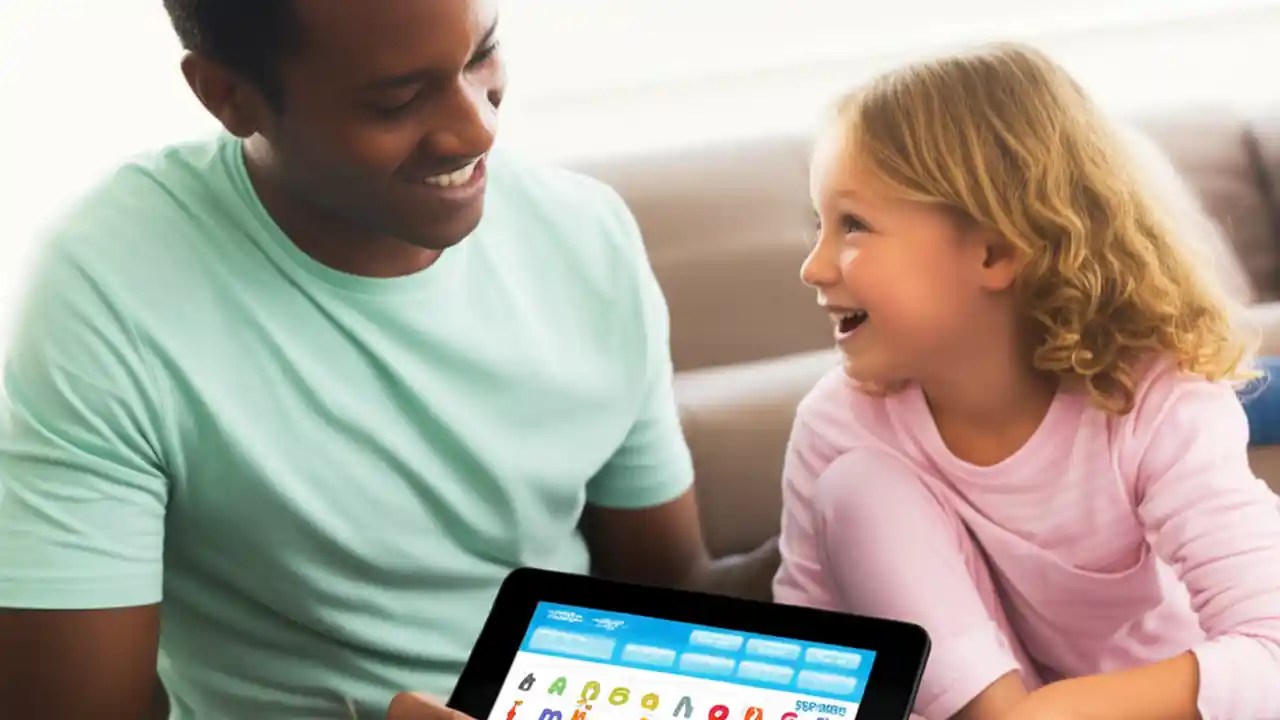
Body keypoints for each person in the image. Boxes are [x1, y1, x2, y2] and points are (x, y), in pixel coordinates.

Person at [0, 1, 778, 718]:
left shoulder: (587, 237)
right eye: (397, 101)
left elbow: (665, 594)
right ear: (228, 97)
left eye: (484, 54)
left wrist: (832, 528)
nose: (476, 131)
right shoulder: (107, 293)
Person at [774, 42, 1280, 720]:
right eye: (819, 226)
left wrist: (1046, 715)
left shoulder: (1156, 401)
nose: (813, 266)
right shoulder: (836, 424)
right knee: (858, 485)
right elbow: (809, 669)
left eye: (854, 225)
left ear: (996, 251)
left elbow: (1272, 652)